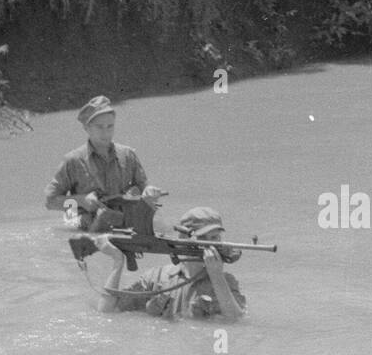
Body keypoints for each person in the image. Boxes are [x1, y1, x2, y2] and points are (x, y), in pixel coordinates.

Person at [97, 207, 246, 321]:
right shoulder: (157, 277)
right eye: (204, 237)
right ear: (184, 238)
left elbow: (235, 321)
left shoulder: (225, 282)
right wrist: (117, 262)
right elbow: (107, 312)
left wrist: (217, 276)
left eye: (216, 237)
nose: (212, 244)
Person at [45, 95, 155, 230]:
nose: (106, 132)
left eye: (110, 126)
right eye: (100, 127)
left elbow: (144, 186)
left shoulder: (128, 155)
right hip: (85, 225)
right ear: (87, 128)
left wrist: (149, 192)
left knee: (158, 222)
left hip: (123, 222)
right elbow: (50, 202)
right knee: (71, 221)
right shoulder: (72, 160)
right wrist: (82, 201)